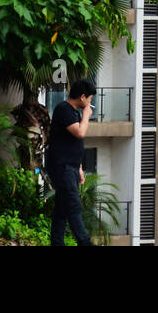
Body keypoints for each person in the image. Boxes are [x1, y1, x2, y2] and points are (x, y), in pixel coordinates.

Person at [47, 79, 96, 246]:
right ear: (82, 97)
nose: (90, 102)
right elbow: (80, 133)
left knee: (62, 209)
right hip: (61, 166)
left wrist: (79, 168)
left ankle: (57, 243)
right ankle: (85, 242)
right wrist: (87, 115)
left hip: (71, 167)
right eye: (90, 98)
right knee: (74, 206)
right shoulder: (64, 109)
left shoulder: (73, 112)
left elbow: (72, 144)